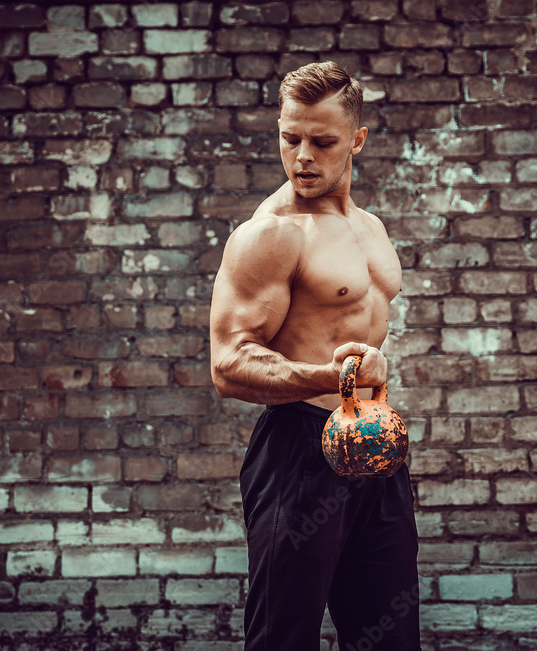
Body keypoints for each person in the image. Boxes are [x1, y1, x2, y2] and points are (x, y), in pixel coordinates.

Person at [209, 61, 421, 651]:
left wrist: (364, 383)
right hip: (299, 450)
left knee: (391, 639)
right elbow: (228, 364)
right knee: (283, 638)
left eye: (322, 142)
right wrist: (331, 377)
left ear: (357, 140)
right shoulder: (272, 235)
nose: (302, 156)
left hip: (375, 448)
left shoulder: (372, 229)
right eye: (290, 138)